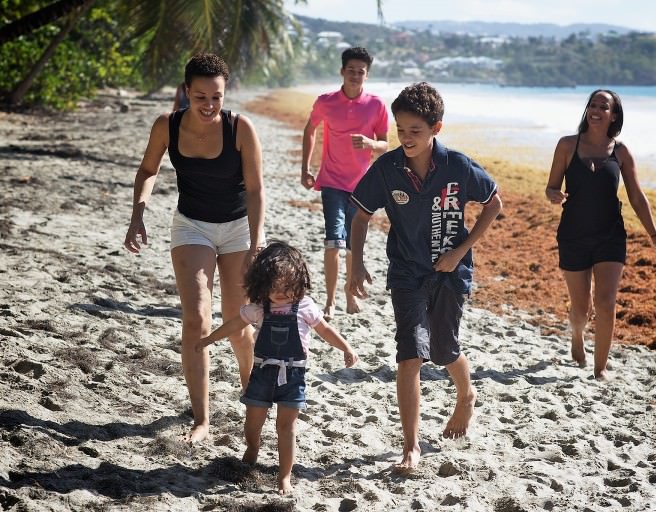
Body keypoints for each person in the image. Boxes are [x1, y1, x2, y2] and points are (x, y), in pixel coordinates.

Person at [347, 82, 503, 472]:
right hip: (406, 273)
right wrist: (356, 263)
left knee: (444, 349)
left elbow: (493, 203)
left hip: (452, 274)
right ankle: (411, 447)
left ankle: (466, 394)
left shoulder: (458, 165)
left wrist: (460, 250)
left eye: (415, 130)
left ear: (436, 128)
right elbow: (362, 215)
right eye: (400, 130)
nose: (406, 138)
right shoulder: (386, 169)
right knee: (410, 354)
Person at [124, 53, 266, 443]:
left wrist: (256, 242)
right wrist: (138, 214)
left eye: (216, 97)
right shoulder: (167, 126)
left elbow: (255, 189)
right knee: (196, 319)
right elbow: (147, 170)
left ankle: (250, 386)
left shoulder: (241, 128)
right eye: (200, 96)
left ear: (225, 93)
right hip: (191, 226)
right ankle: (201, 419)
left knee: (238, 324)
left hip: (238, 229)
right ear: (187, 91)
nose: (208, 105)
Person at [195, 241, 358, 494]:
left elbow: (325, 330)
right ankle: (252, 447)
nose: (281, 292)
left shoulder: (305, 306)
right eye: (274, 286)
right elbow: (234, 324)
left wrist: (346, 347)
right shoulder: (260, 308)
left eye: (288, 286)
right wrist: (209, 339)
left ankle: (284, 477)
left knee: (286, 427)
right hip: (262, 373)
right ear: (263, 283)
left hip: (293, 375)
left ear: (299, 282)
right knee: (253, 422)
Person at [545, 89, 656, 381]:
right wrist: (554, 195)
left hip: (610, 236)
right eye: (592, 104)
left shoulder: (621, 152)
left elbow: (638, 198)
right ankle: (577, 335)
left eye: (603, 106)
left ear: (613, 115)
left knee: (605, 302)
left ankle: (600, 367)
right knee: (581, 309)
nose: (595, 110)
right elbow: (551, 186)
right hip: (573, 235)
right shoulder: (567, 145)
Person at [301, 46, 389, 321]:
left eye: (360, 72)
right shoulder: (326, 102)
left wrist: (370, 143)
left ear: (367, 74)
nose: (355, 75)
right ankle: (329, 302)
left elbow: (385, 144)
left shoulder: (376, 105)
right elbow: (310, 129)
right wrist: (305, 167)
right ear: (342, 71)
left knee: (354, 246)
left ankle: (350, 295)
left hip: (362, 187)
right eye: (350, 70)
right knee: (333, 243)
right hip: (332, 183)